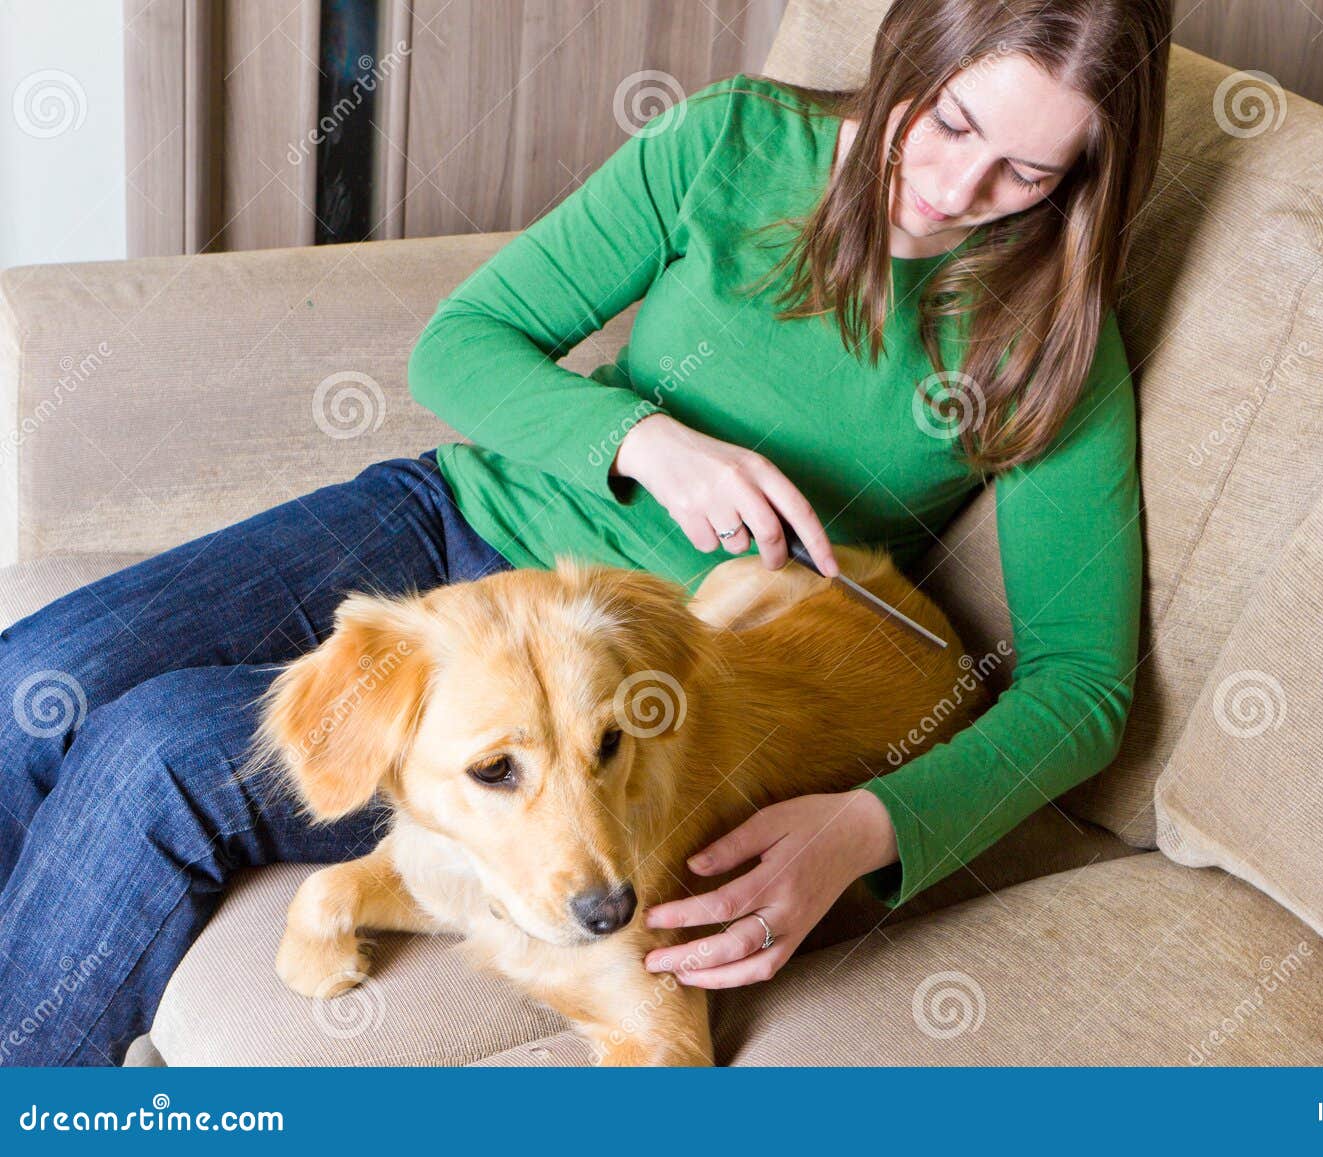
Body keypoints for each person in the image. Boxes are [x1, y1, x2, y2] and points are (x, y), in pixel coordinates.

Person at [0, 0, 1169, 1065]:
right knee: (33, 676)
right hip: (453, 518)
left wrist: (864, 829)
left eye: (1024, 169)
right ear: (908, 52)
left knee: (152, 753)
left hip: (614, 679)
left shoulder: (1048, 343)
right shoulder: (733, 144)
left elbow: (1083, 685)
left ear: (1086, 176)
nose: (955, 188)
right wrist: (643, 441)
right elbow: (464, 340)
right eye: (949, 120)